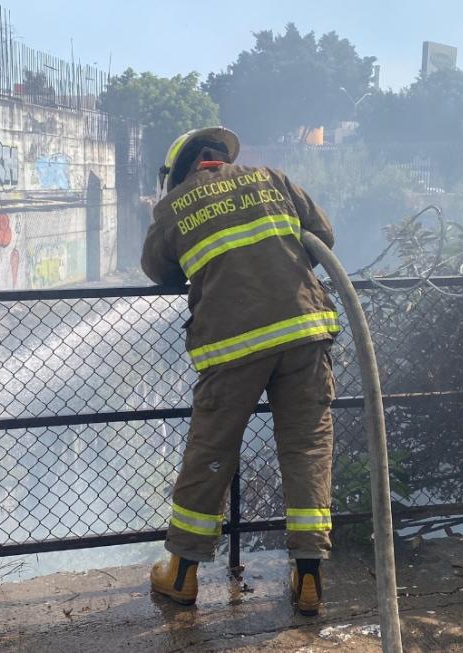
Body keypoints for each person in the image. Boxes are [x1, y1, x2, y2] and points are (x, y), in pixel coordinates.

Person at [141, 126, 339, 616]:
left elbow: (158, 269)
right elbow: (323, 237)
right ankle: (308, 574)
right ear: (220, 158)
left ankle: (183, 574)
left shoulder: (174, 206)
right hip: (303, 331)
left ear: (179, 170)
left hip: (231, 346)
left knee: (212, 449)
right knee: (307, 445)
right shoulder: (272, 177)